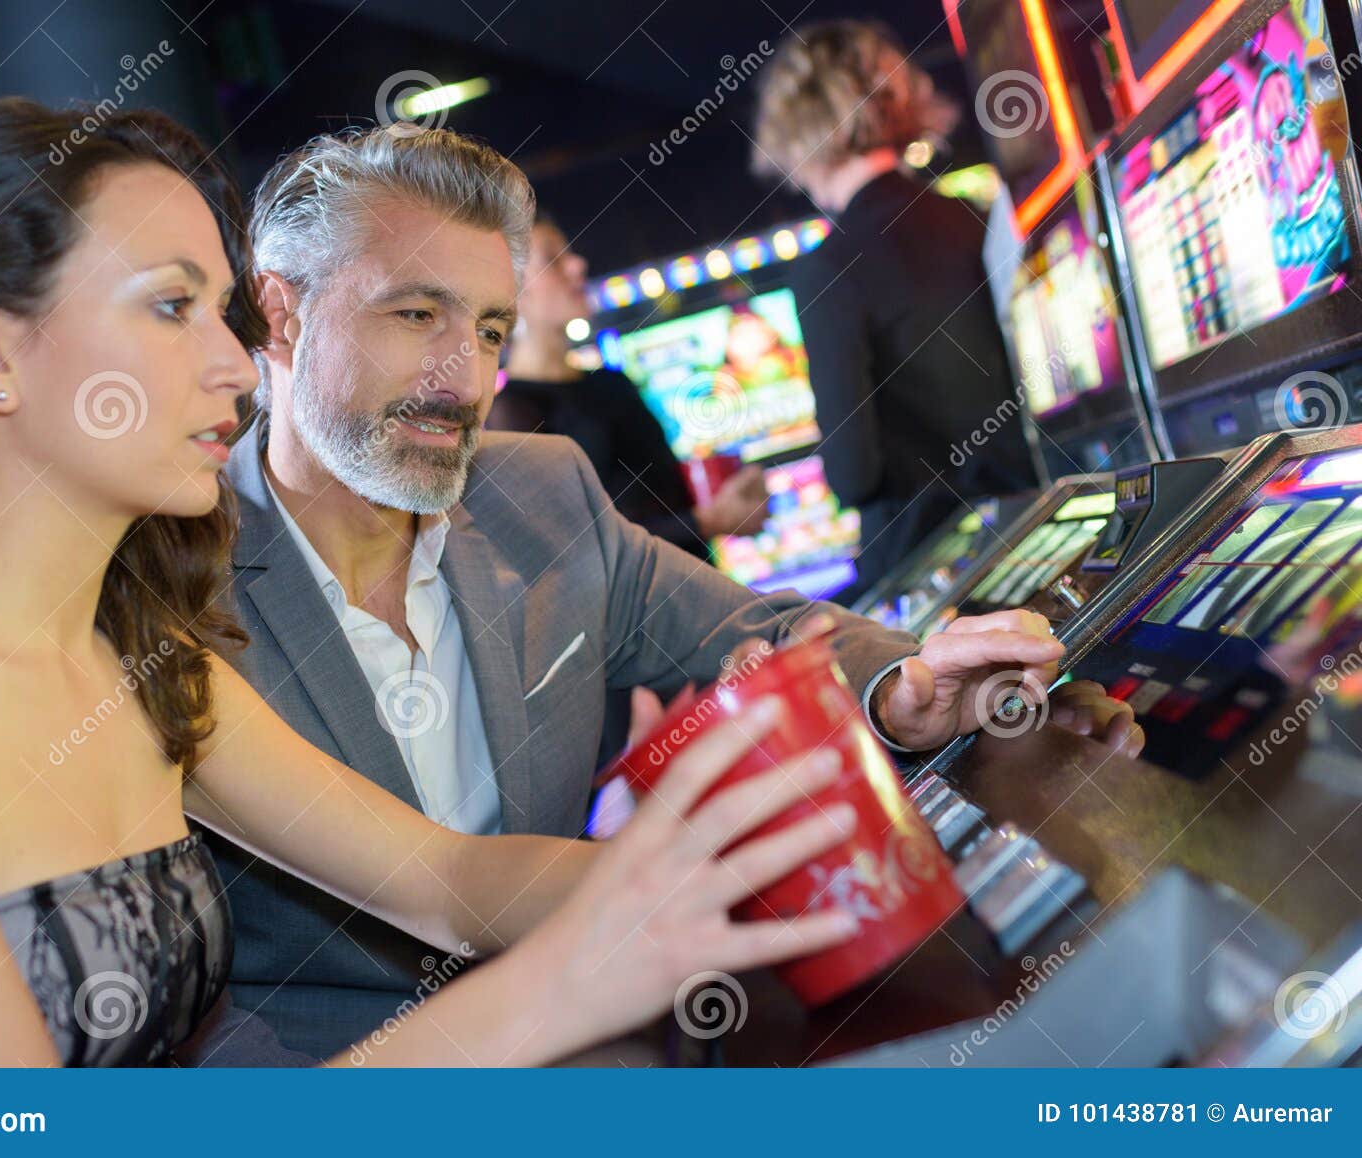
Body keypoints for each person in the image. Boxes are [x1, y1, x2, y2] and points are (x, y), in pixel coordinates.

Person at [0, 97, 881, 1068]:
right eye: (170, 306)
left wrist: (735, 860)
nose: (230, 360)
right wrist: (551, 994)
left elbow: (448, 883)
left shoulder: (137, 657)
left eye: (220, 312)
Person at [211, 122, 1143, 1058]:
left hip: (624, 1037)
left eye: (490, 329)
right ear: (281, 313)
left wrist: (907, 692)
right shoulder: (167, 574)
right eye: (417, 315)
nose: (466, 380)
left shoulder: (540, 491)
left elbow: (763, 628)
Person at [752, 20, 1038, 601]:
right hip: (1035, 523)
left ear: (797, 135)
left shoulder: (828, 269)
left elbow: (854, 475)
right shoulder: (976, 219)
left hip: (929, 569)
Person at [490, 214, 768, 558]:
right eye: (553, 260)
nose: (578, 265)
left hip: (694, 577)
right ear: (511, 292)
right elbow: (568, 545)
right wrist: (708, 521)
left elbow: (666, 493)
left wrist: (728, 490)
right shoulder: (512, 415)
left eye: (570, 254)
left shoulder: (612, 381)